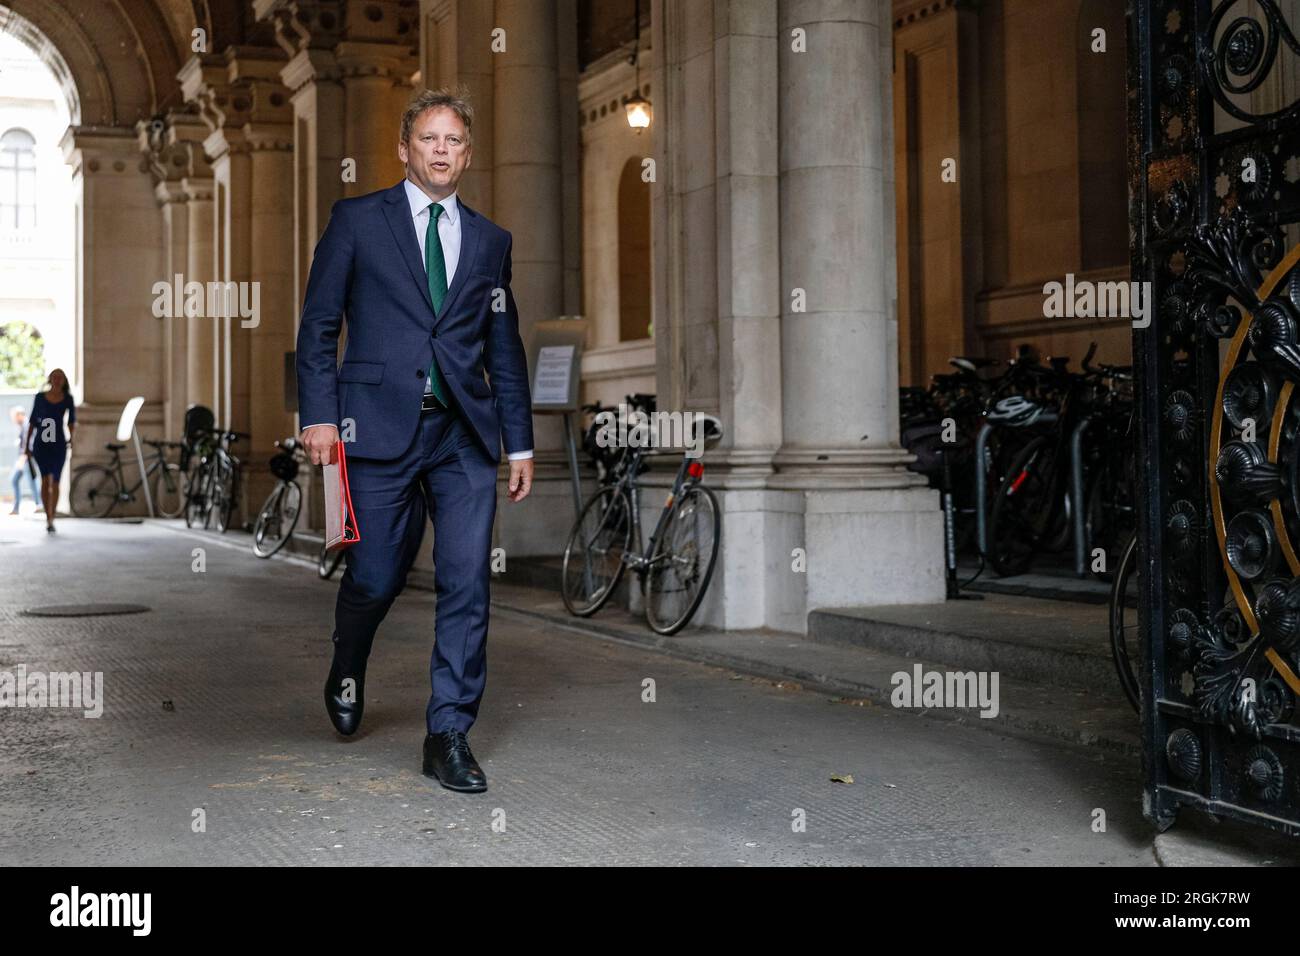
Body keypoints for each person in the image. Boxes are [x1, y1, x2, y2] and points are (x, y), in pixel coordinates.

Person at [296, 88, 535, 793]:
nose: (440, 149)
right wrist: (317, 414)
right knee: (376, 575)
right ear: (404, 148)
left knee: (466, 580)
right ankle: (348, 660)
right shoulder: (357, 221)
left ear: (467, 153)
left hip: (462, 433)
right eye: (428, 138)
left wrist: (517, 443)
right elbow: (318, 326)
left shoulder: (491, 242)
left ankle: (449, 733)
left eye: (454, 140)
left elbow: (504, 347)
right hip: (374, 426)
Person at [26, 369, 76, 533]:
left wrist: (71, 438)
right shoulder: (40, 397)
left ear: (64, 380)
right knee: (45, 480)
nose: (57, 380)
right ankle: (48, 516)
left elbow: (71, 421)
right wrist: (27, 445)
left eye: (60, 377)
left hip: (58, 444)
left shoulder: (67, 399)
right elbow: (33, 421)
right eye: (54, 377)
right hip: (42, 444)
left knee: (55, 480)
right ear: (50, 379)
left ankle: (52, 516)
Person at [9, 406, 38, 515]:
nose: (13, 419)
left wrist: (24, 456)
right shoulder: (23, 426)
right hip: (24, 457)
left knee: (33, 481)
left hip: (26, 458)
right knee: (16, 480)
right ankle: (16, 508)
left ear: (19, 415)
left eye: (14, 417)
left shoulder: (27, 425)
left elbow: (29, 441)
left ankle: (39, 504)